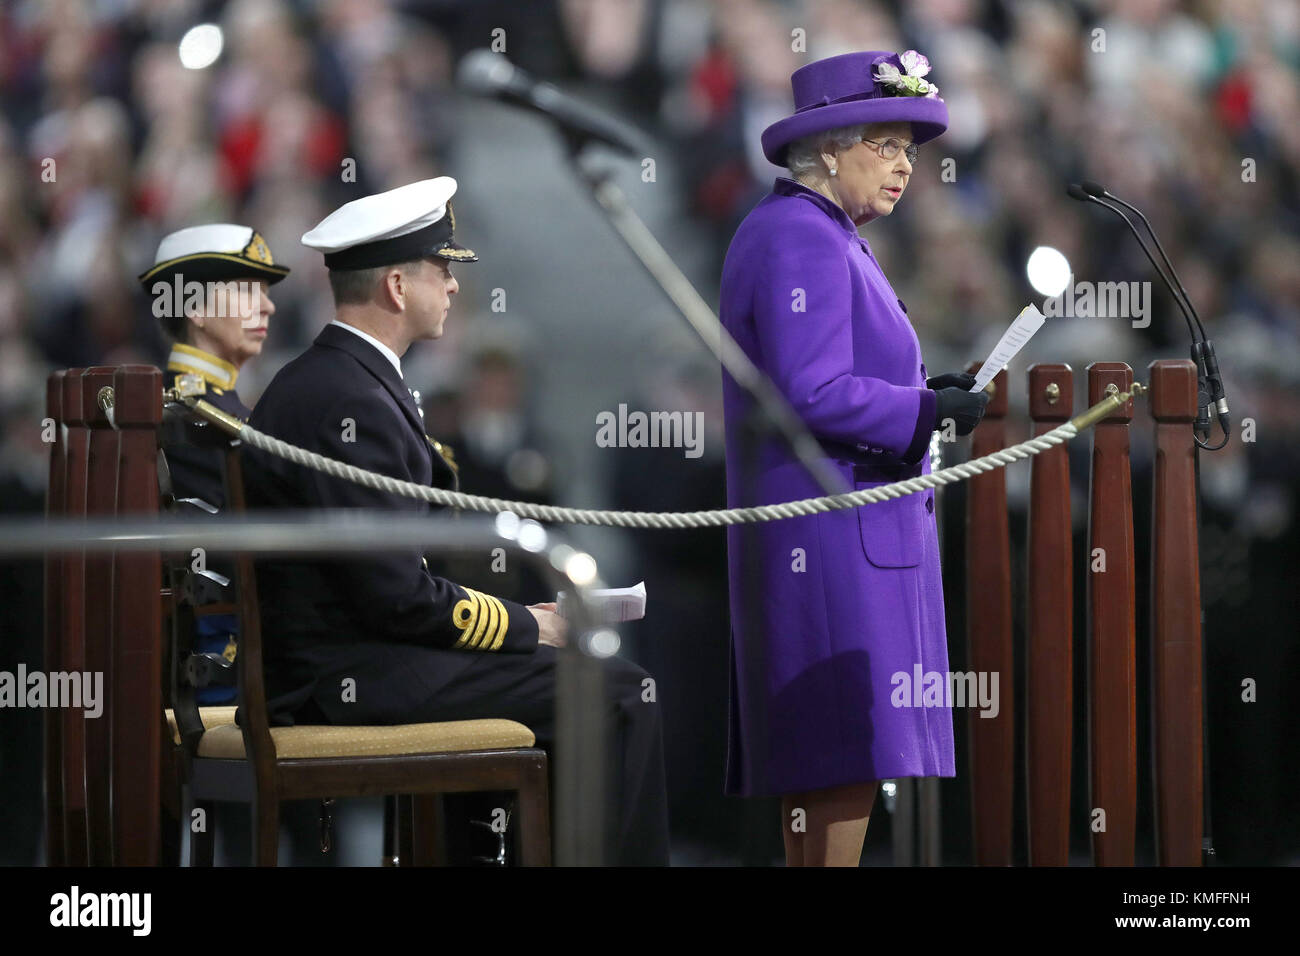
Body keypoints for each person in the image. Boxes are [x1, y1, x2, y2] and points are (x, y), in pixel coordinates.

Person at [241, 177, 670, 865]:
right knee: (618, 692)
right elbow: (394, 596)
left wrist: (520, 622)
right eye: (441, 268)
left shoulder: (340, 382)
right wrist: (532, 623)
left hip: (351, 658)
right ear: (396, 287)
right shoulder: (346, 398)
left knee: (569, 677)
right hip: (346, 675)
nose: (454, 285)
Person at [718, 50, 990, 866]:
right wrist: (925, 410)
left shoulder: (811, 231)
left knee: (834, 769)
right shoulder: (803, 235)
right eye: (886, 144)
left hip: (838, 531)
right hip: (833, 543)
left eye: (910, 149)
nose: (905, 165)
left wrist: (919, 392)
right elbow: (811, 391)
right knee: (840, 758)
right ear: (832, 146)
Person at [139, 224, 288, 705]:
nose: (267, 306)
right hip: (230, 667)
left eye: (264, 292)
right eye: (247, 291)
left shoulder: (215, 408)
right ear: (197, 309)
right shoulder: (188, 416)